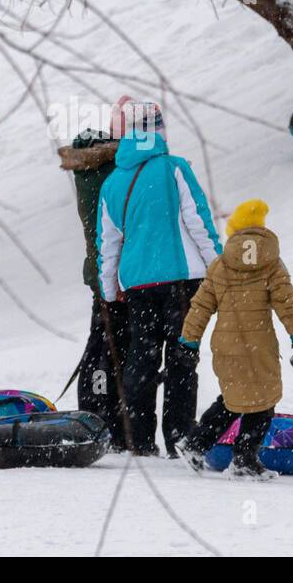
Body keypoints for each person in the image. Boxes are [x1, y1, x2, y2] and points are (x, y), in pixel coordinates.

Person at [96, 100, 220, 456]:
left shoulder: (112, 184)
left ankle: (139, 440)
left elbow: (108, 243)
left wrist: (109, 289)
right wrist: (219, 268)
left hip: (137, 286)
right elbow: (198, 222)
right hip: (182, 282)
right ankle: (180, 438)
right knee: (183, 358)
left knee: (142, 358)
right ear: (159, 130)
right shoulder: (175, 169)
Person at [175, 199, 293, 479]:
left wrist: (188, 341)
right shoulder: (272, 264)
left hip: (225, 346)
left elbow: (200, 306)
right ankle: (244, 460)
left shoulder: (221, 265)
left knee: (232, 398)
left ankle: (196, 444)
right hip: (259, 345)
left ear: (235, 230)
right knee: (263, 402)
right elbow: (287, 303)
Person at [57, 102, 129, 449]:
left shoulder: (84, 172)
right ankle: (107, 415)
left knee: (100, 347)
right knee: (109, 350)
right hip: (112, 276)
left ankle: (96, 409)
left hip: (99, 274)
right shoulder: (107, 172)